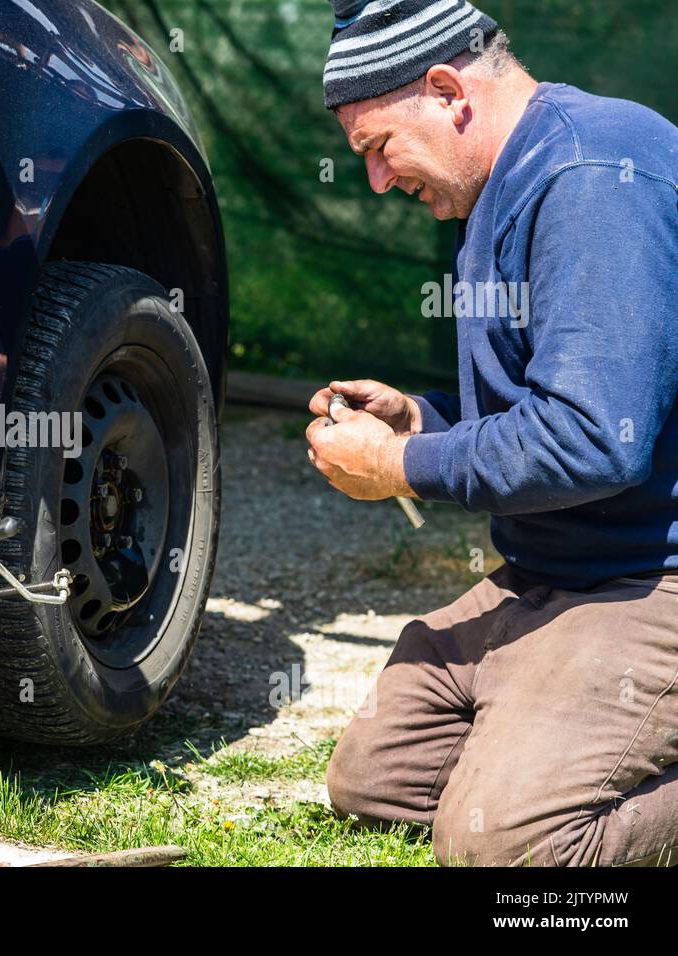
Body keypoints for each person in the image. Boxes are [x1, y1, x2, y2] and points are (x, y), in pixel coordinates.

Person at [306, 0, 678, 866]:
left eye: (377, 148)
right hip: (556, 569)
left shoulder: (589, 178)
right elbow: (539, 404)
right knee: (375, 782)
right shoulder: (502, 179)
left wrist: (401, 463)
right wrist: (423, 417)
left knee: (507, 845)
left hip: (650, 575)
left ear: (446, 90)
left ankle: (567, 731)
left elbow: (594, 439)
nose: (378, 181)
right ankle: (551, 715)